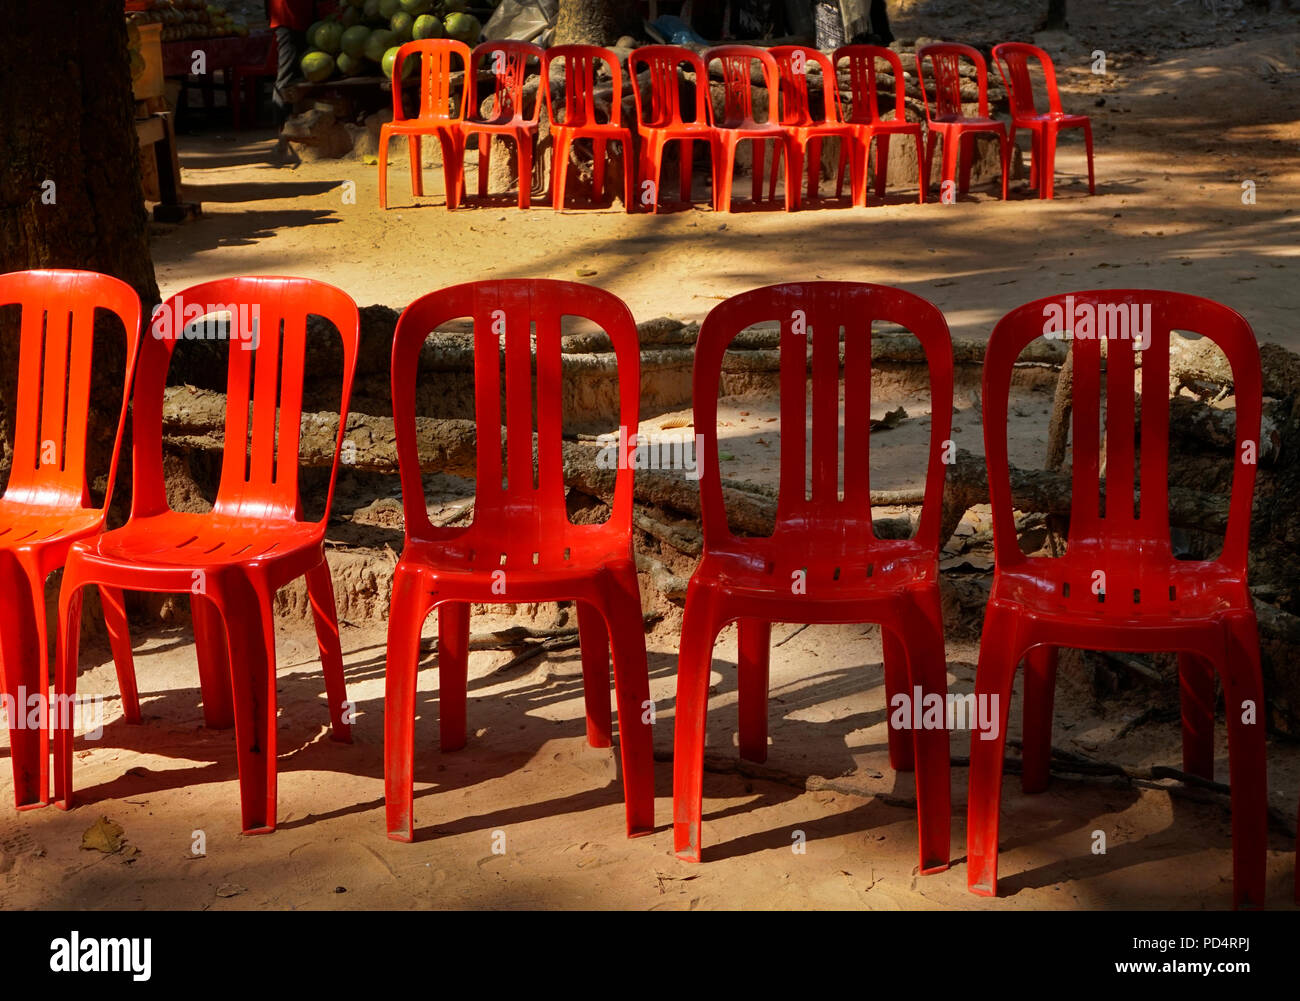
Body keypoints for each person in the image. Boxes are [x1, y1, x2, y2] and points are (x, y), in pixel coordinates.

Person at [267, 0, 317, 162]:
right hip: (288, 18)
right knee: (286, 76)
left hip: (299, 18)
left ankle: (289, 126)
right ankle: (281, 131)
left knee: (295, 75)